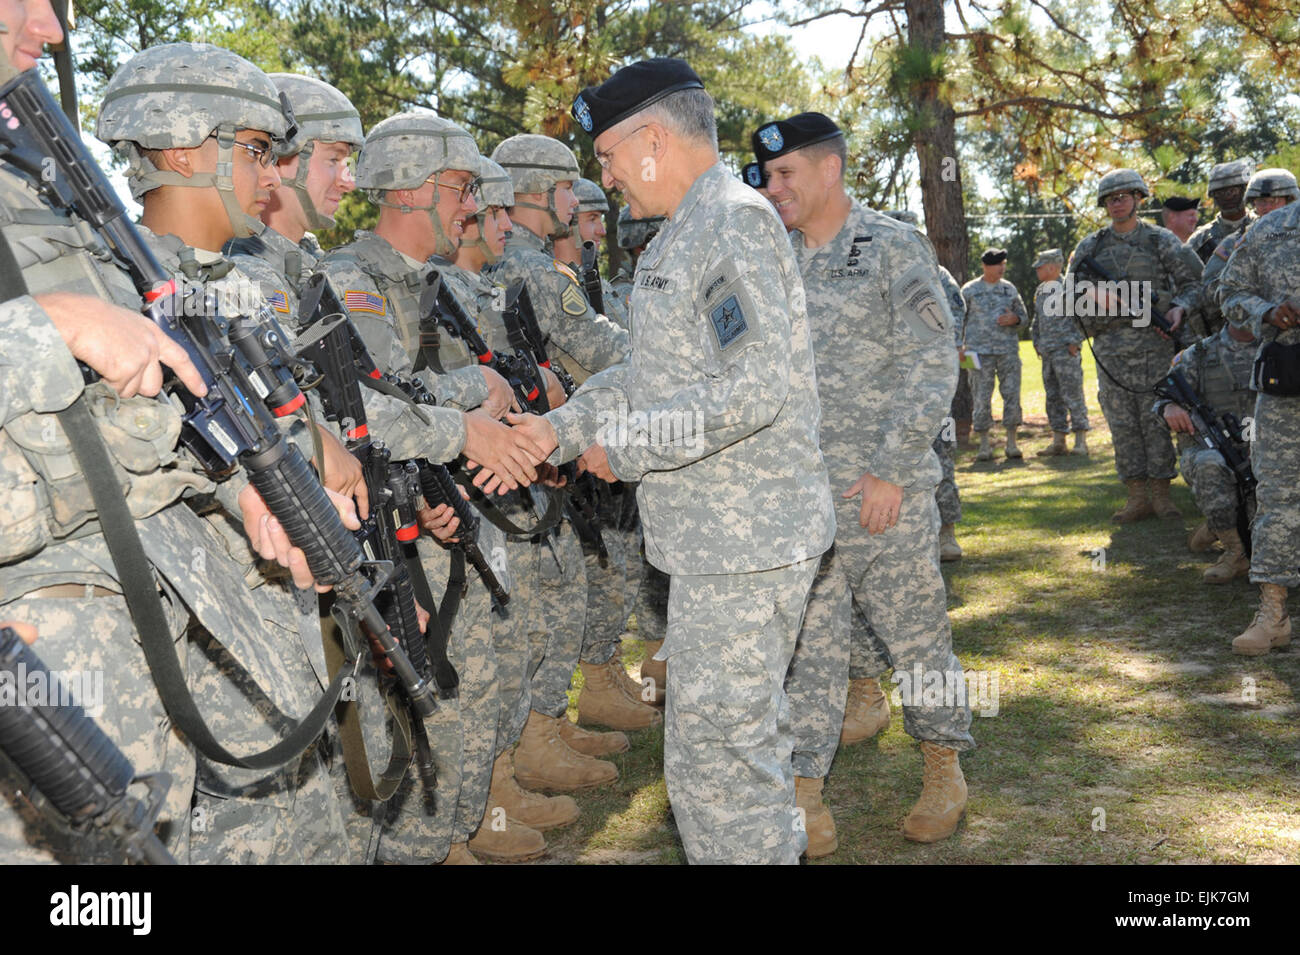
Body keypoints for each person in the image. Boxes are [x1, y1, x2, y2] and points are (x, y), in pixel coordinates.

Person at [511, 59, 835, 864]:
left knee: (721, 769)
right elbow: (644, 373)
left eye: (609, 156)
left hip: (746, 543)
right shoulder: (686, 231)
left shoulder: (729, 223)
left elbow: (755, 385)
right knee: (733, 751)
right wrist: (558, 431)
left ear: (653, 140)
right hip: (718, 546)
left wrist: (622, 449)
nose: (607, 177)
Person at [757, 111, 973, 847]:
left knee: (917, 638)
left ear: (830, 169)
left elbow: (931, 361)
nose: (773, 186)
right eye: (767, 175)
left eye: (785, 172)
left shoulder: (891, 244)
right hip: (802, 500)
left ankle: (943, 765)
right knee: (809, 651)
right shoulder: (773, 256)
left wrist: (892, 468)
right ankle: (806, 790)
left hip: (884, 494)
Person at [489, 134, 652, 760]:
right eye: (563, 189)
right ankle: (537, 734)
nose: (574, 201)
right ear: (532, 191)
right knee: (553, 593)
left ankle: (550, 722)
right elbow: (604, 347)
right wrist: (672, 358)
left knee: (557, 590)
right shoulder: (534, 269)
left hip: (538, 444)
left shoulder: (520, 264)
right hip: (544, 449)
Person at [1066, 168, 1203, 522]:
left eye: (1124, 197)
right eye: (1111, 199)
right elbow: (1068, 294)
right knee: (1122, 423)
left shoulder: (1161, 240)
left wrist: (1179, 308)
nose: (1117, 204)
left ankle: (1161, 495)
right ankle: (1136, 496)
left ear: (1138, 198)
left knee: (1156, 418)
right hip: (1111, 350)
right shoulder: (1091, 246)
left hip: (1155, 346)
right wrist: (1093, 294)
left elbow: (1195, 284)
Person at [1217, 198, 1300, 656]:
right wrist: (1267, 311)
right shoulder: (1271, 230)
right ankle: (1273, 615)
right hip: (1287, 383)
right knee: (1277, 496)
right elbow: (1229, 292)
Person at [886, 209, 967, 561]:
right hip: (887, 393)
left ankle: (947, 533)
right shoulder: (877, 274)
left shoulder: (939, 277)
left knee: (941, 459)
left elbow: (950, 336)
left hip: (930, 391)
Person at [1153, 324, 1257, 583]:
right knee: (1209, 463)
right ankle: (1235, 553)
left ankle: (1216, 526)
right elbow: (1162, 399)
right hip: (1212, 450)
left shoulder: (1279, 346)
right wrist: (1169, 407)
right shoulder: (1199, 354)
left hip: (1267, 449)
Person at [1195, 168, 1300, 338]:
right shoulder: (1239, 241)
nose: (1267, 208)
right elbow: (1214, 291)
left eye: (1274, 200)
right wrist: (1262, 306)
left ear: (1291, 200)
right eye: (1261, 202)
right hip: (1254, 336)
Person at [962, 249, 1029, 461]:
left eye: (1003, 264)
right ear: (985, 266)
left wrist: (1015, 319)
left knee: (1012, 395)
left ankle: (1012, 444)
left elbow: (1024, 317)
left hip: (1007, 351)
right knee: (980, 397)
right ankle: (984, 446)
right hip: (977, 353)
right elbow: (957, 319)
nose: (1001, 268)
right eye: (997, 264)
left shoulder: (1009, 289)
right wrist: (959, 346)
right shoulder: (969, 290)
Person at [1029, 248, 1090, 456]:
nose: (1037, 270)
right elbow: (1037, 319)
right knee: (1053, 396)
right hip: (1048, 352)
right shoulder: (1041, 291)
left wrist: (1075, 342)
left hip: (1066, 352)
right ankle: (1058, 441)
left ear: (1052, 268)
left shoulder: (1070, 288)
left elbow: (1084, 317)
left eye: (1040, 267)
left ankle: (1080, 441)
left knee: (1073, 394)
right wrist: (1036, 341)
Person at [1186, 159, 1254, 264]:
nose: (1227, 198)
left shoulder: (1262, 227)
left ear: (1244, 190)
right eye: (1220, 193)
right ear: (1213, 196)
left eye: (1232, 191)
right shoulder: (1201, 239)